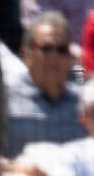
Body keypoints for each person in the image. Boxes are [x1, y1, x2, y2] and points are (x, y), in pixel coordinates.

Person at [8, 12, 88, 152]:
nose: (54, 57)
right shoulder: (3, 100)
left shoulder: (85, 103)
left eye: (61, 50)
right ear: (27, 54)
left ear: (70, 57)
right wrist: (13, 167)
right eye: (46, 49)